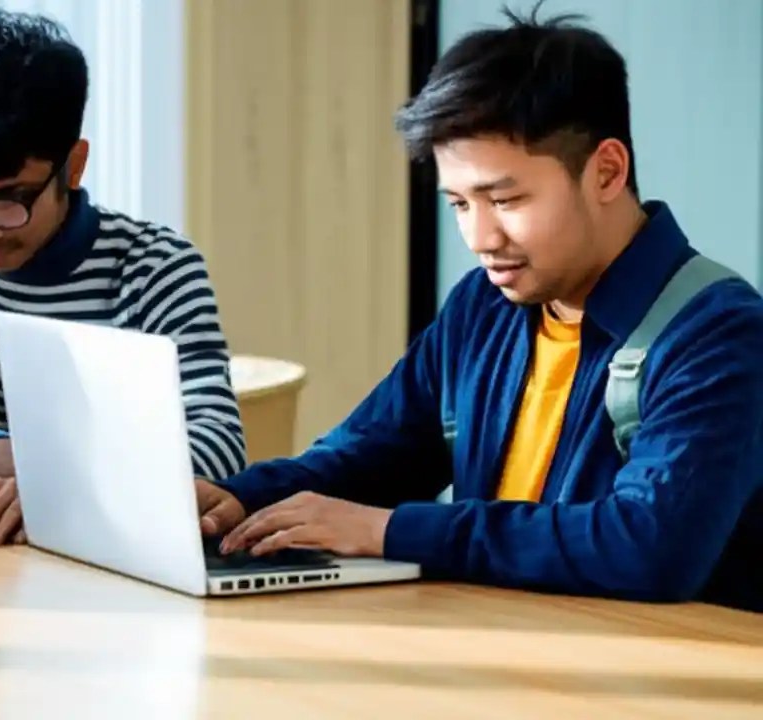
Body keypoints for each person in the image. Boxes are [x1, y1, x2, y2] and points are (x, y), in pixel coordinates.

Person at [196, 6, 763, 611]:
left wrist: (387, 530)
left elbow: (649, 547)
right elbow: (373, 453)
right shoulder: (483, 304)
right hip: (505, 652)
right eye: (460, 205)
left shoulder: (719, 334)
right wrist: (239, 497)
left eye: (505, 199)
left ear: (606, 171)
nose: (481, 237)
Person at [0, 9, 246, 548]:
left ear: (74, 166)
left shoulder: (156, 268)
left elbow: (217, 442)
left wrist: (56, 483)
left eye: (8, 200)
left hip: (105, 557)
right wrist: (21, 469)